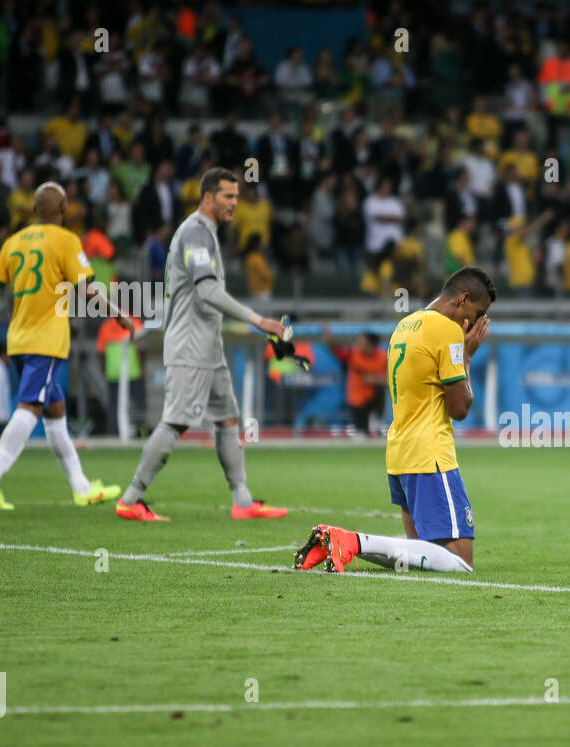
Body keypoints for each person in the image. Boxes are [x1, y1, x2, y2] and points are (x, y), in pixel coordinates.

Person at [294, 266, 494, 574]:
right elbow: (459, 409)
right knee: (460, 562)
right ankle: (353, 541)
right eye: (477, 313)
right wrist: (466, 356)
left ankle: (345, 544)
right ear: (463, 299)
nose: (475, 323)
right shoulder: (446, 330)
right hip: (430, 455)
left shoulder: (404, 325)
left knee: (417, 558)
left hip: (400, 454)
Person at [116, 167, 290, 521]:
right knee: (176, 422)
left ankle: (242, 501)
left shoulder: (205, 233)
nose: (234, 204)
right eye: (228, 196)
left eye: (237, 197)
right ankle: (132, 498)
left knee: (227, 419)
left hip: (208, 347)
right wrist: (259, 321)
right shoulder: (196, 232)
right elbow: (206, 289)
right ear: (208, 196)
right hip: (190, 345)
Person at [0, 182, 127, 510]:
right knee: (31, 407)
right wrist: (118, 313)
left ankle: (81, 486)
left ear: (34, 211)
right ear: (63, 210)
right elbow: (87, 289)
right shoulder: (66, 240)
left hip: (18, 339)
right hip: (46, 342)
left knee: (55, 414)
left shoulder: (15, 241)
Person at [328, 331, 388, 436]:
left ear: (371, 344)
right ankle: (363, 430)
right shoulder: (353, 353)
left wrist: (375, 379)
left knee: (380, 393)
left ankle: (378, 425)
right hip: (358, 398)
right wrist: (328, 335)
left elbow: (391, 378)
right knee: (361, 431)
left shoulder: (383, 357)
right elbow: (336, 350)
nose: (358, 344)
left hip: (374, 398)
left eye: (362, 342)